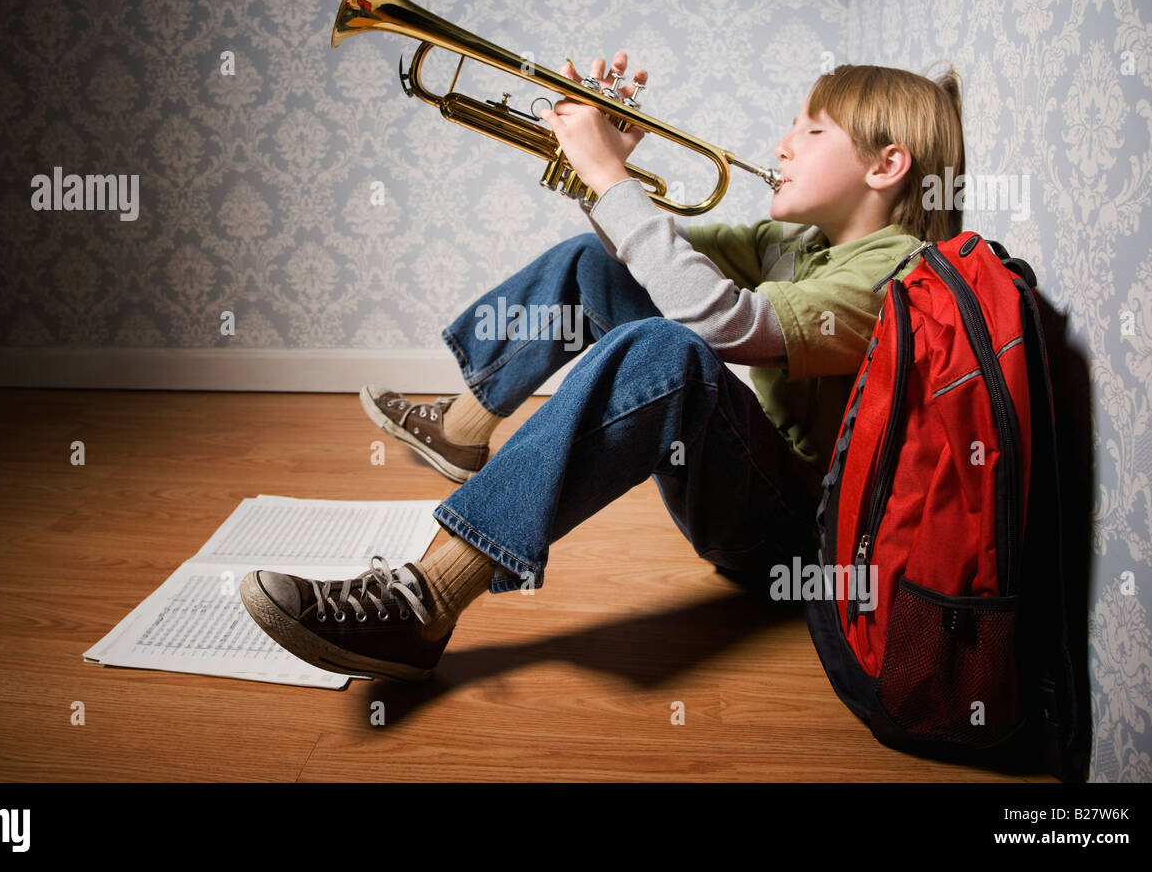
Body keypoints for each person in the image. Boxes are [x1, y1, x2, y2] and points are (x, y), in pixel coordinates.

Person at [240, 56, 967, 682]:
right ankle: (462, 430)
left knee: (669, 350)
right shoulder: (799, 241)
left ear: (886, 165)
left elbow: (725, 325)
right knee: (595, 266)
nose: (782, 144)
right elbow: (637, 256)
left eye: (810, 130)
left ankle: (424, 603)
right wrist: (605, 163)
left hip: (803, 540)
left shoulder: (893, 274)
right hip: (755, 493)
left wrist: (608, 172)